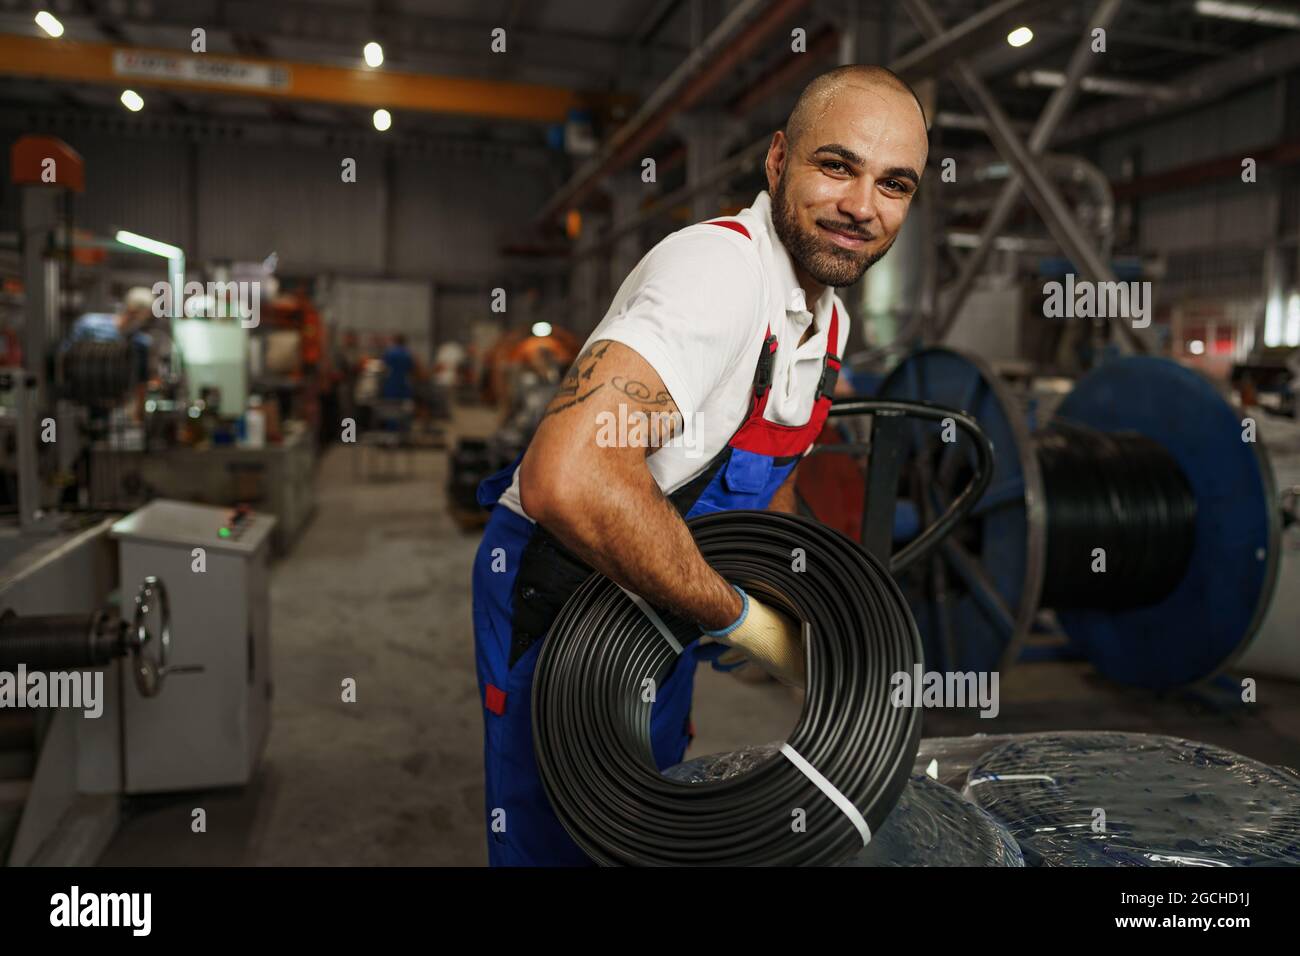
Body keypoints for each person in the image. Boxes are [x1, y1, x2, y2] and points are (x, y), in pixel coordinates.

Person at [470, 65, 929, 866]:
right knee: (564, 827)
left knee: (646, 809)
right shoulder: (718, 277)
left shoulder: (828, 324)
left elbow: (769, 480)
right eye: (837, 166)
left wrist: (788, 600)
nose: (863, 206)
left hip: (667, 596)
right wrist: (741, 620)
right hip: (562, 589)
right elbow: (568, 478)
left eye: (894, 184)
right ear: (778, 159)